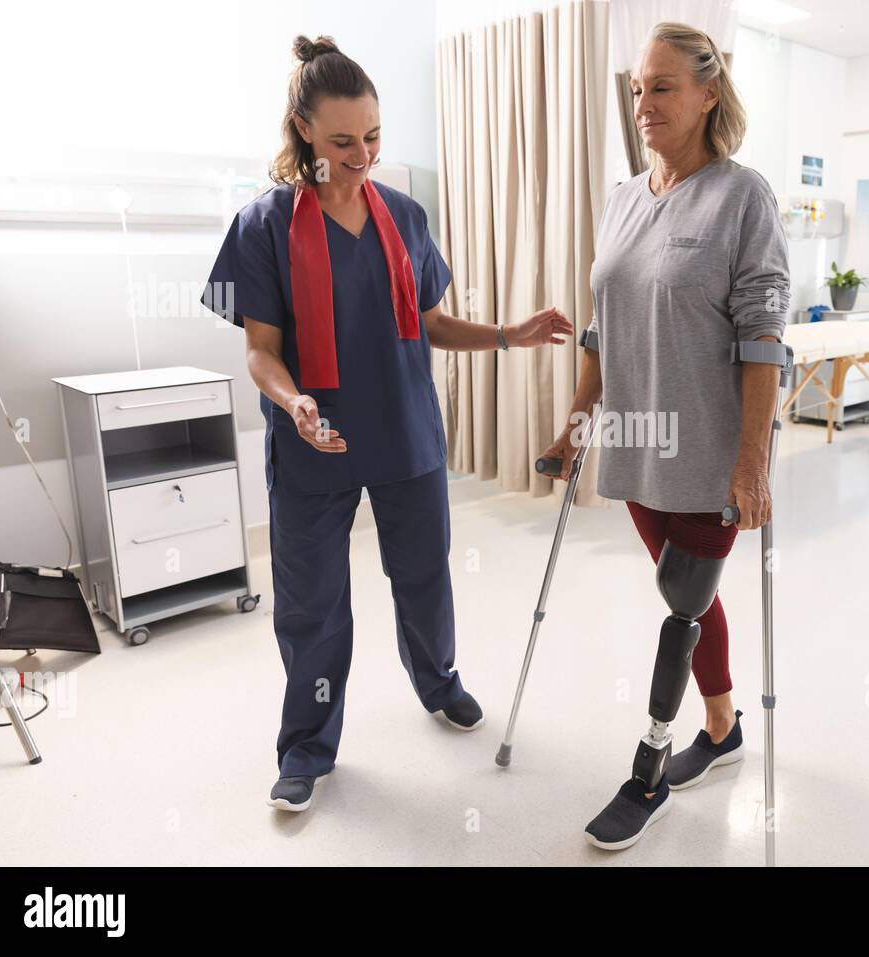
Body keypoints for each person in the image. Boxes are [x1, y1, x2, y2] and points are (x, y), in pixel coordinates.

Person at [200, 35, 573, 813]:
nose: (363, 153)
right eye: (343, 141)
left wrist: (511, 334)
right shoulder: (264, 225)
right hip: (315, 444)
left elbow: (427, 323)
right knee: (313, 603)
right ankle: (307, 744)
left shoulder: (403, 215)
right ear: (304, 128)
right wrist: (295, 401)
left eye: (374, 136)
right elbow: (261, 352)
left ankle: (439, 683)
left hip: (405, 434)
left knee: (425, 577)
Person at [540, 22, 790, 850]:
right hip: (638, 443)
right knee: (690, 592)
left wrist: (753, 466)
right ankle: (722, 730)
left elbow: (763, 339)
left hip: (717, 451)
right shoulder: (621, 199)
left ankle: (647, 769)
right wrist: (575, 428)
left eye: (664, 86)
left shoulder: (740, 194)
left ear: (709, 93)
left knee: (684, 603)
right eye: (639, 88)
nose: (644, 101)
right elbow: (602, 331)